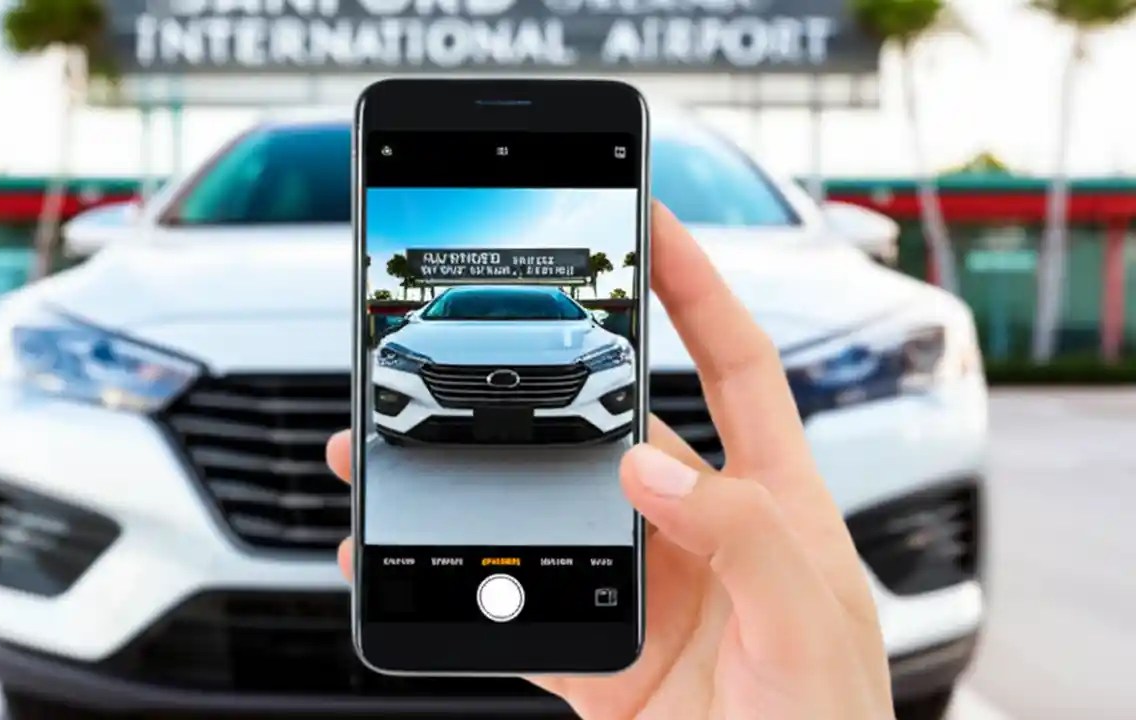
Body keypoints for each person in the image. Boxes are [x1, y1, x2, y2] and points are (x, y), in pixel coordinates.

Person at [324, 203, 895, 719]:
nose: (503, 384)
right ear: (415, 320)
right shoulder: (417, 331)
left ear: (593, 321)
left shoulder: (588, 331)